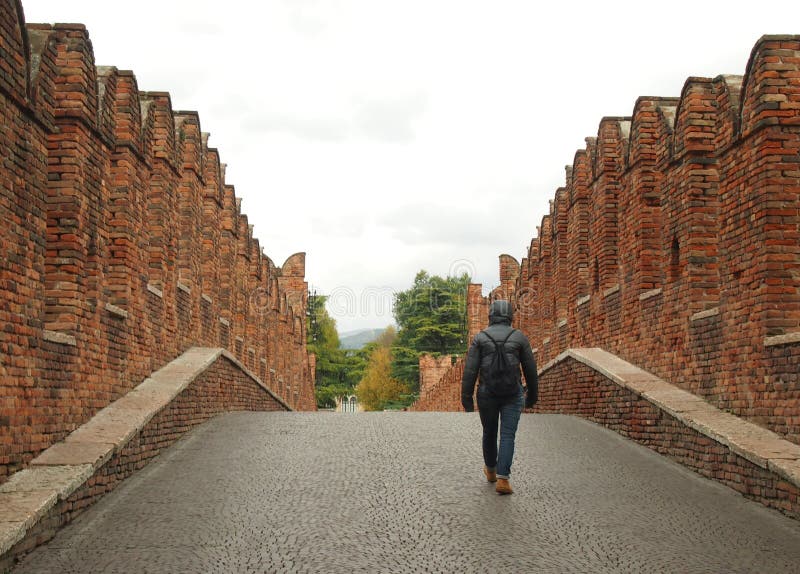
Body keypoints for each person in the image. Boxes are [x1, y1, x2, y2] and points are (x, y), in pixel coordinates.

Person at [461, 299, 538, 495]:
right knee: (507, 435)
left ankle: (491, 471)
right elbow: (530, 370)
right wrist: (532, 396)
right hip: (513, 394)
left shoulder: (480, 338)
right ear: (510, 316)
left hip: (487, 394)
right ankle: (503, 480)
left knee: (489, 432)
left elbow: (470, 371)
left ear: (491, 316)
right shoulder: (519, 337)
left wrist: (467, 398)